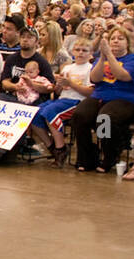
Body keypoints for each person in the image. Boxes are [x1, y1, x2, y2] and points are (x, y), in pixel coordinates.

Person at [72, 28, 134, 173]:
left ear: (128, 43)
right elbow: (94, 78)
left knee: (105, 118)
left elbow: (122, 76)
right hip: (100, 96)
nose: (116, 41)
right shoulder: (103, 57)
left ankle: (109, 155)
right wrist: (102, 58)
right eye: (113, 38)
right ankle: (86, 158)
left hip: (126, 99)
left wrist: (109, 55)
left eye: (120, 38)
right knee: (79, 115)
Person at [29, 37, 93, 166]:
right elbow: (58, 92)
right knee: (33, 113)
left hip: (77, 101)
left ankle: (60, 148)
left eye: (84, 50)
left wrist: (71, 83)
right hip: (62, 99)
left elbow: (90, 92)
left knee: (50, 112)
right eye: (77, 50)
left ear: (90, 54)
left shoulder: (90, 69)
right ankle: (52, 146)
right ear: (72, 51)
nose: (80, 53)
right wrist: (58, 85)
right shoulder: (67, 68)